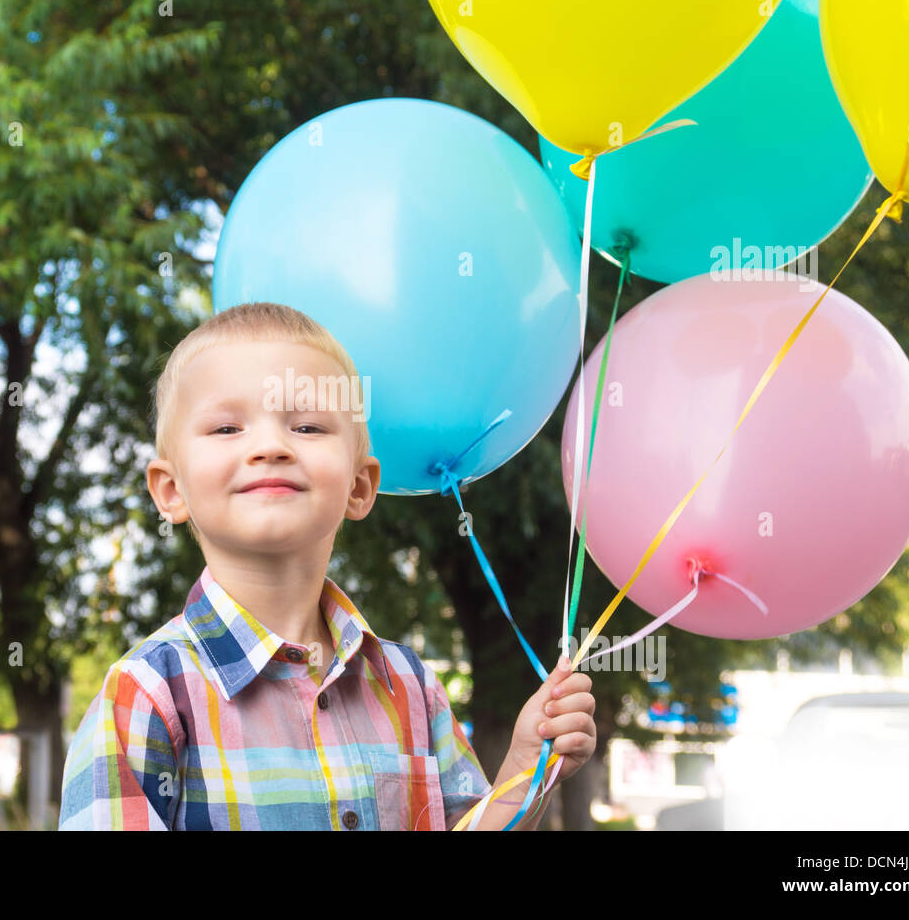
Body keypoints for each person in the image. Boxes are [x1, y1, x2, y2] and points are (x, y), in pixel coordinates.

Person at [59, 301, 595, 830]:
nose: (270, 446)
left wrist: (527, 768)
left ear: (360, 487)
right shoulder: (148, 693)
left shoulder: (409, 686)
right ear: (171, 491)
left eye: (308, 427)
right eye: (227, 429)